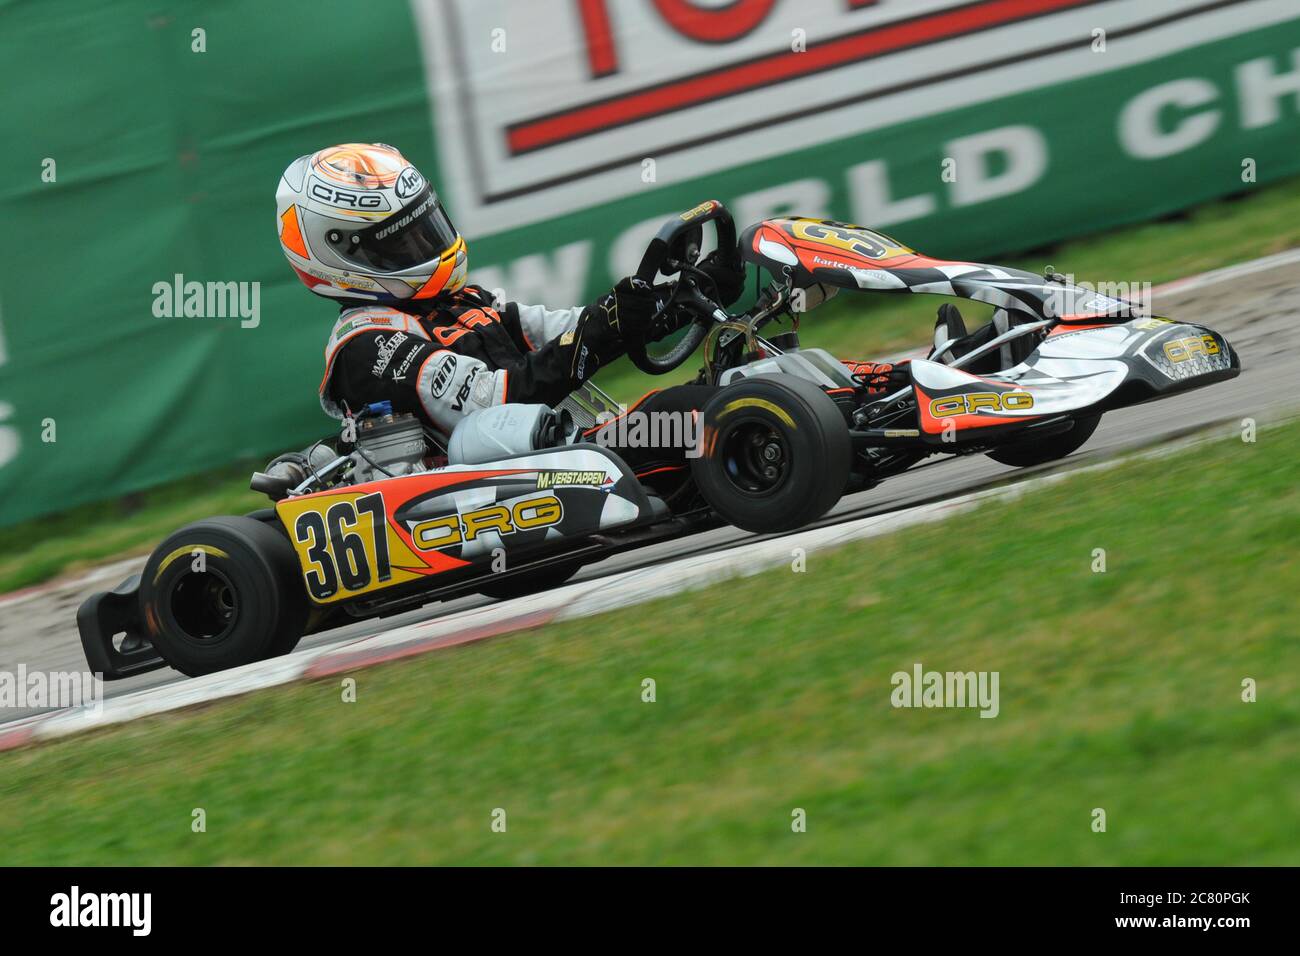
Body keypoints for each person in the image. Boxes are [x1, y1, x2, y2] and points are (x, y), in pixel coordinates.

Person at [275, 142, 899, 489]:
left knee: (753, 376)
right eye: (399, 242)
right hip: (510, 478)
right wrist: (602, 331)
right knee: (679, 412)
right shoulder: (367, 345)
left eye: (424, 228)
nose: (424, 249)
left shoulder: (460, 305)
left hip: (579, 458)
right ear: (341, 258)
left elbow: (569, 327)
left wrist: (676, 298)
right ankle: (828, 430)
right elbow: (494, 398)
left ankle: (904, 390)